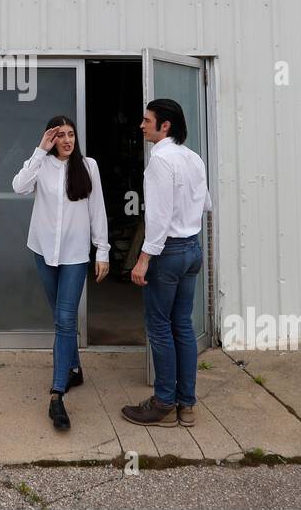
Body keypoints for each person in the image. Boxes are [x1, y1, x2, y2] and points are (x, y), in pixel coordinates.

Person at [12, 115, 109, 431]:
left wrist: (103, 251)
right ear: (50, 139)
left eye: (71, 134)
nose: (67, 140)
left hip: (75, 256)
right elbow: (18, 187)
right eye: (60, 136)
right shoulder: (40, 164)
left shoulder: (89, 166)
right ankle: (75, 370)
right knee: (61, 317)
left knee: (65, 320)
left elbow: (98, 211)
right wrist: (40, 150)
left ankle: (57, 395)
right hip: (43, 252)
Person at [121, 98, 212, 428]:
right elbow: (205, 203)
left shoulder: (160, 162)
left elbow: (158, 219)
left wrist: (143, 259)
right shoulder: (193, 158)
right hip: (191, 250)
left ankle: (163, 404)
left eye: (147, 121)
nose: (142, 125)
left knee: (160, 328)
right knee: (183, 326)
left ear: (165, 126)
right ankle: (185, 406)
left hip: (168, 253)